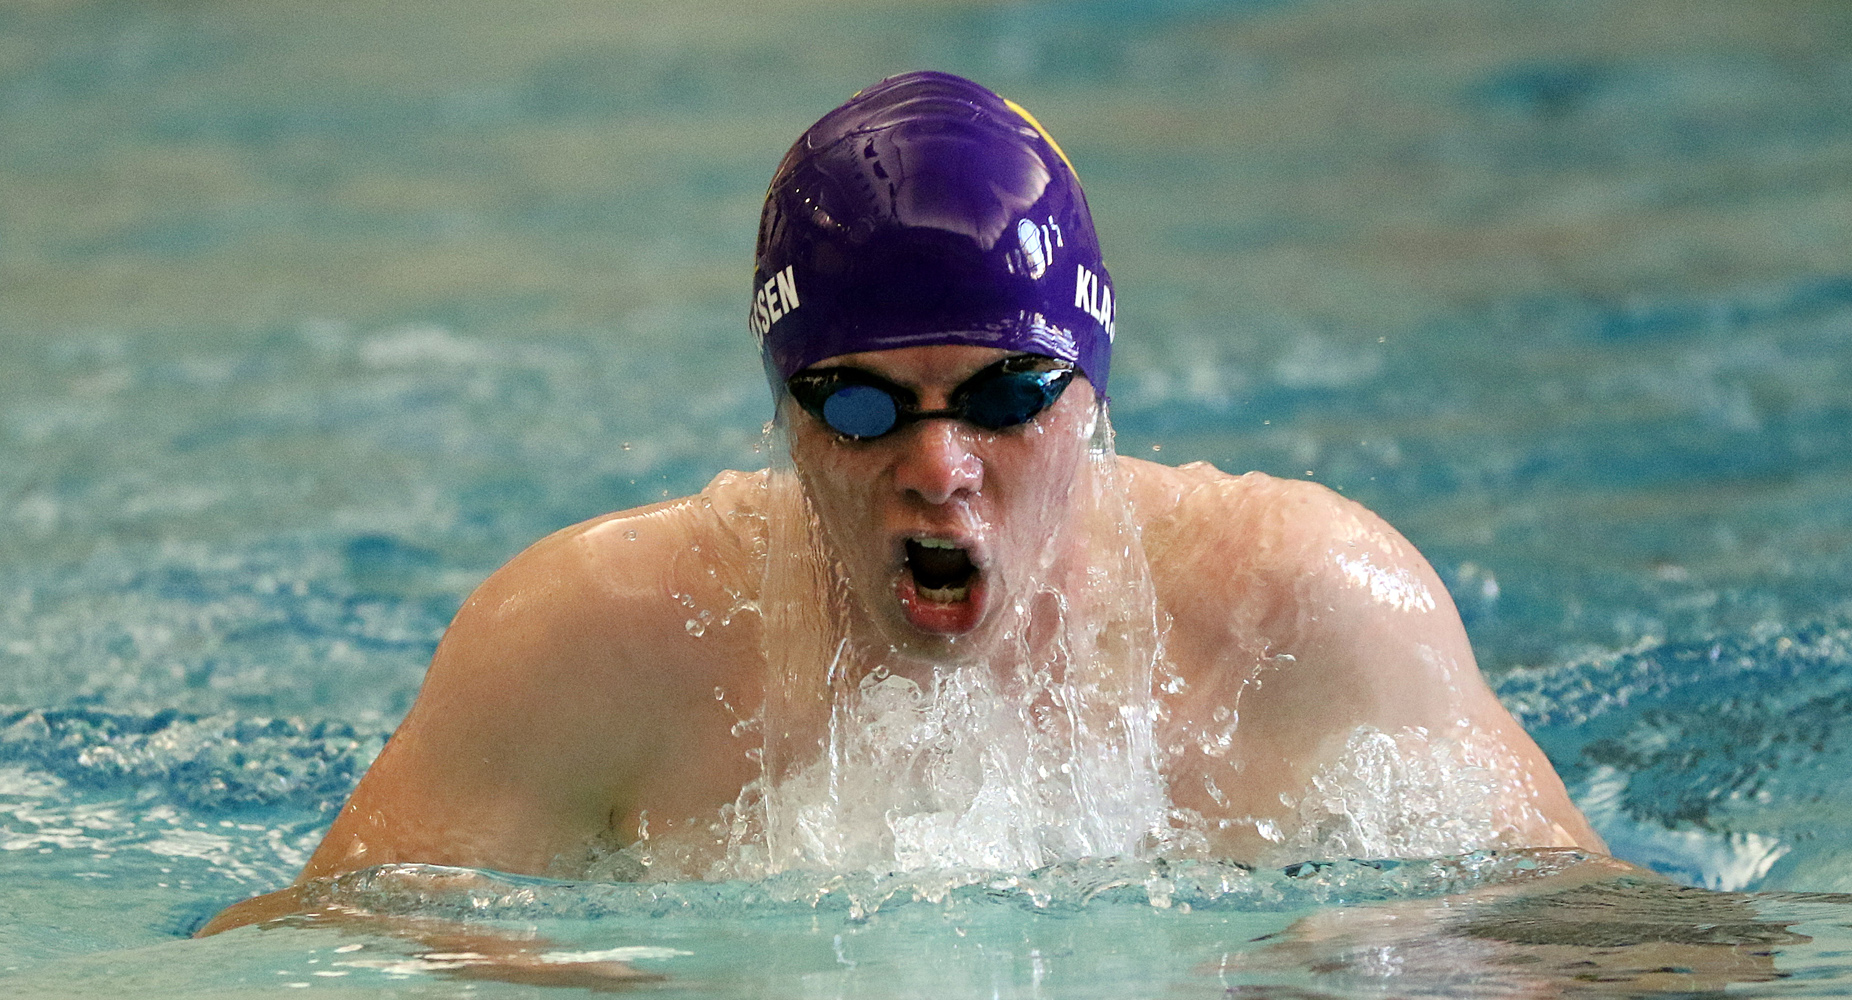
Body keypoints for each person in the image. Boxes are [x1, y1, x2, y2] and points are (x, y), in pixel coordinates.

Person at [202, 71, 1601, 935]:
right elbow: (314, 990)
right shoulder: (588, 642)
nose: (938, 466)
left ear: (1091, 401)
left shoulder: (1311, 613)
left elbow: (1623, 971)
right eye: (863, 406)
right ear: (786, 420)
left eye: (1001, 398)